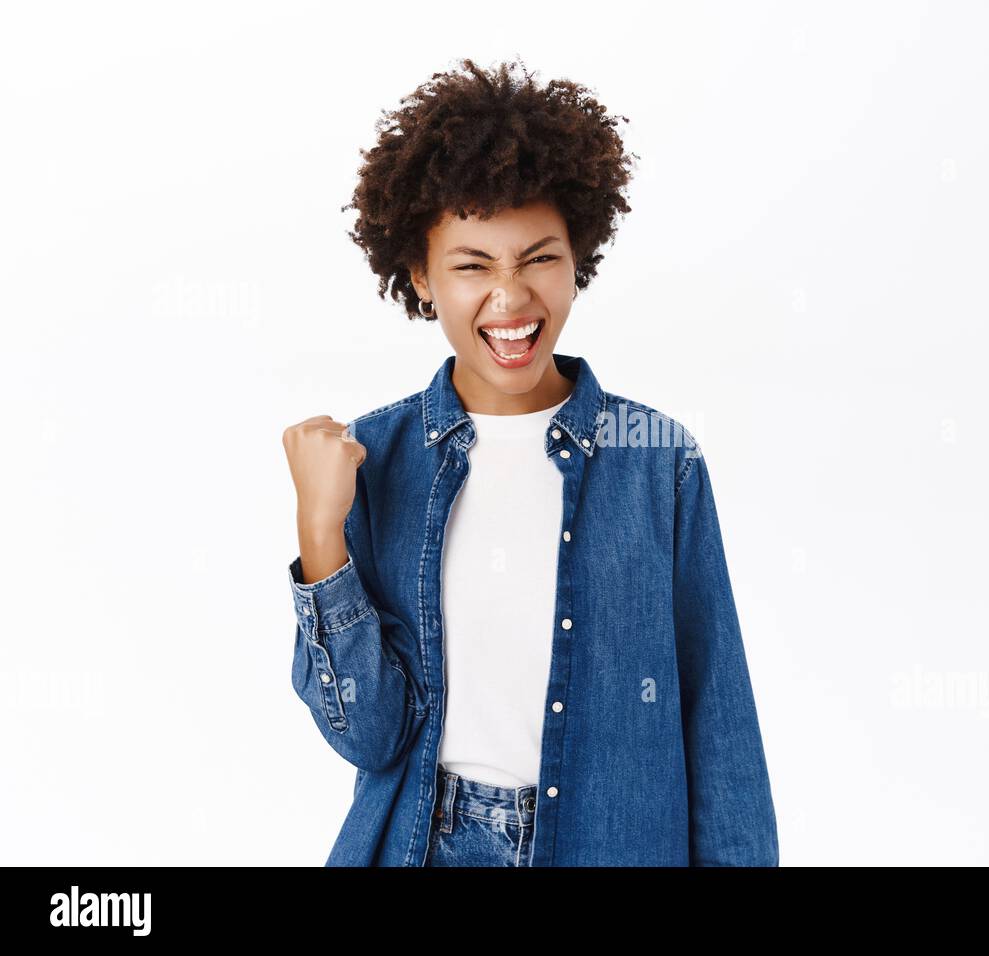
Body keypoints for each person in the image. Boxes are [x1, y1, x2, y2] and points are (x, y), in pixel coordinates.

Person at [281, 57, 777, 866]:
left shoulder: (659, 464)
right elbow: (370, 737)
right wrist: (319, 532)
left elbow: (718, 722)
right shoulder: (375, 461)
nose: (510, 300)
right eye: (472, 266)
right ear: (421, 275)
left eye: (538, 258)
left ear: (579, 255)